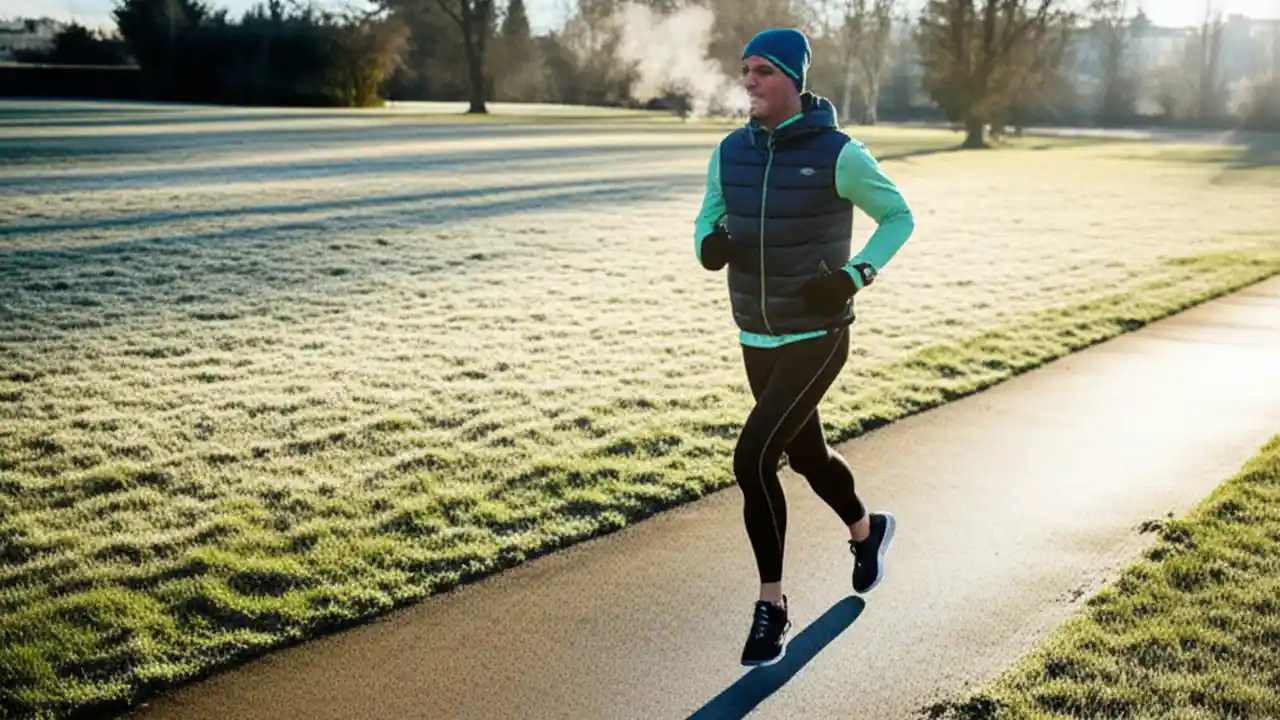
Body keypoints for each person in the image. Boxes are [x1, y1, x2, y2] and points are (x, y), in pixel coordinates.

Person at [692, 27, 915, 667]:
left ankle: (772, 606)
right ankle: (868, 532)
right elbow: (708, 217)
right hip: (755, 335)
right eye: (746, 70)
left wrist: (854, 275)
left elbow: (898, 216)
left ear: (793, 79)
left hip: (818, 335)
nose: (750, 81)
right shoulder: (730, 151)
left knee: (753, 459)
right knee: (809, 456)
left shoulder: (839, 152)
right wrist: (710, 244)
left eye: (763, 71)